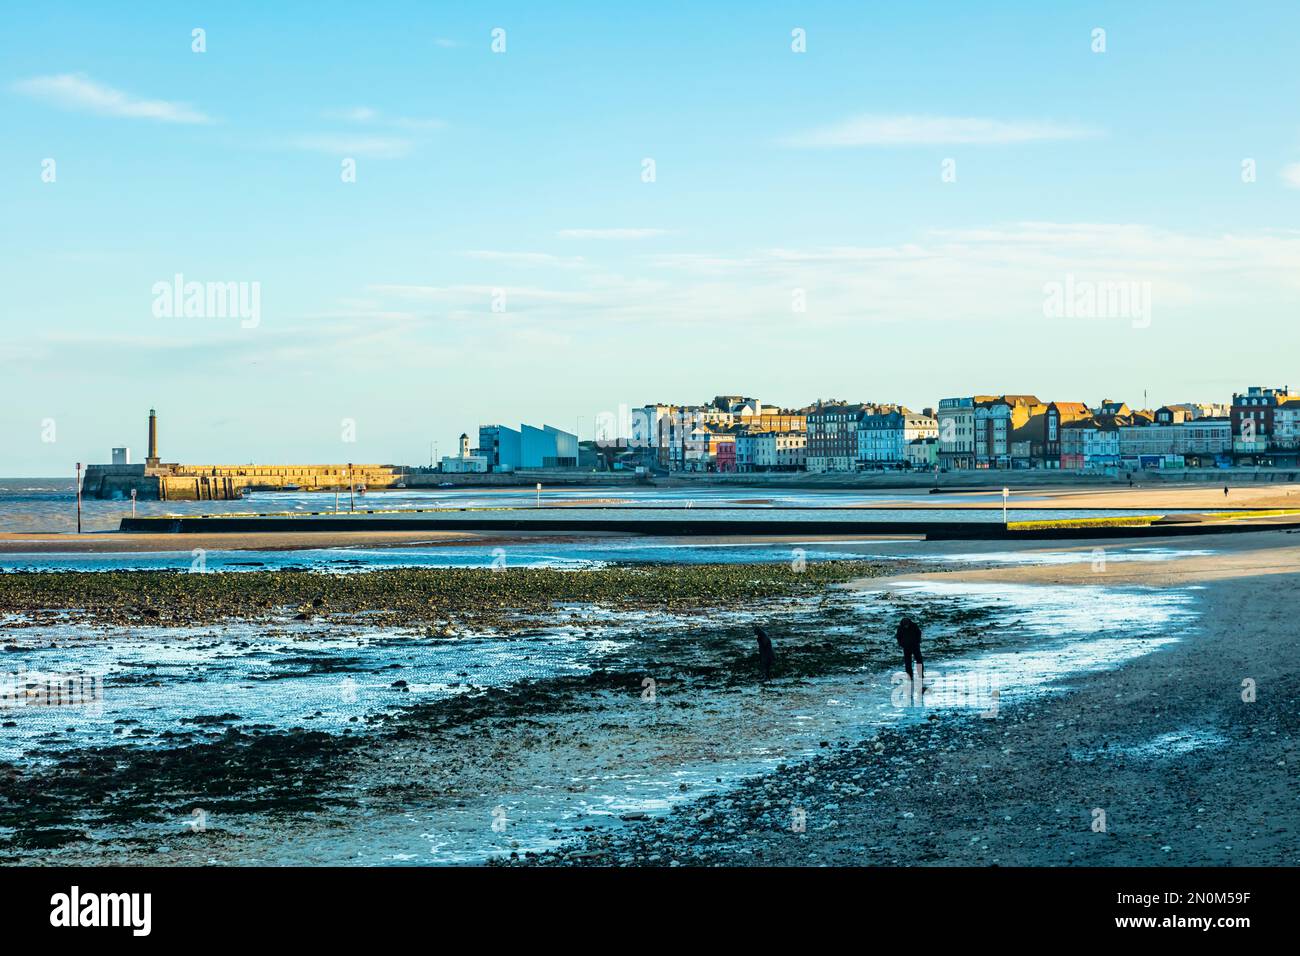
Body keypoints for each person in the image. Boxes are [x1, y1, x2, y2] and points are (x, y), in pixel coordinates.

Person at [895, 616, 924, 683]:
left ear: (909, 623)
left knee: (919, 661)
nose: (906, 627)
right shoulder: (900, 628)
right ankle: (909, 676)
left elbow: (918, 633)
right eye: (905, 625)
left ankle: (920, 675)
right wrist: (901, 644)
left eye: (907, 625)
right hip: (906, 647)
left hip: (915, 646)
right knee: (907, 662)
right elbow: (898, 637)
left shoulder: (914, 626)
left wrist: (918, 641)